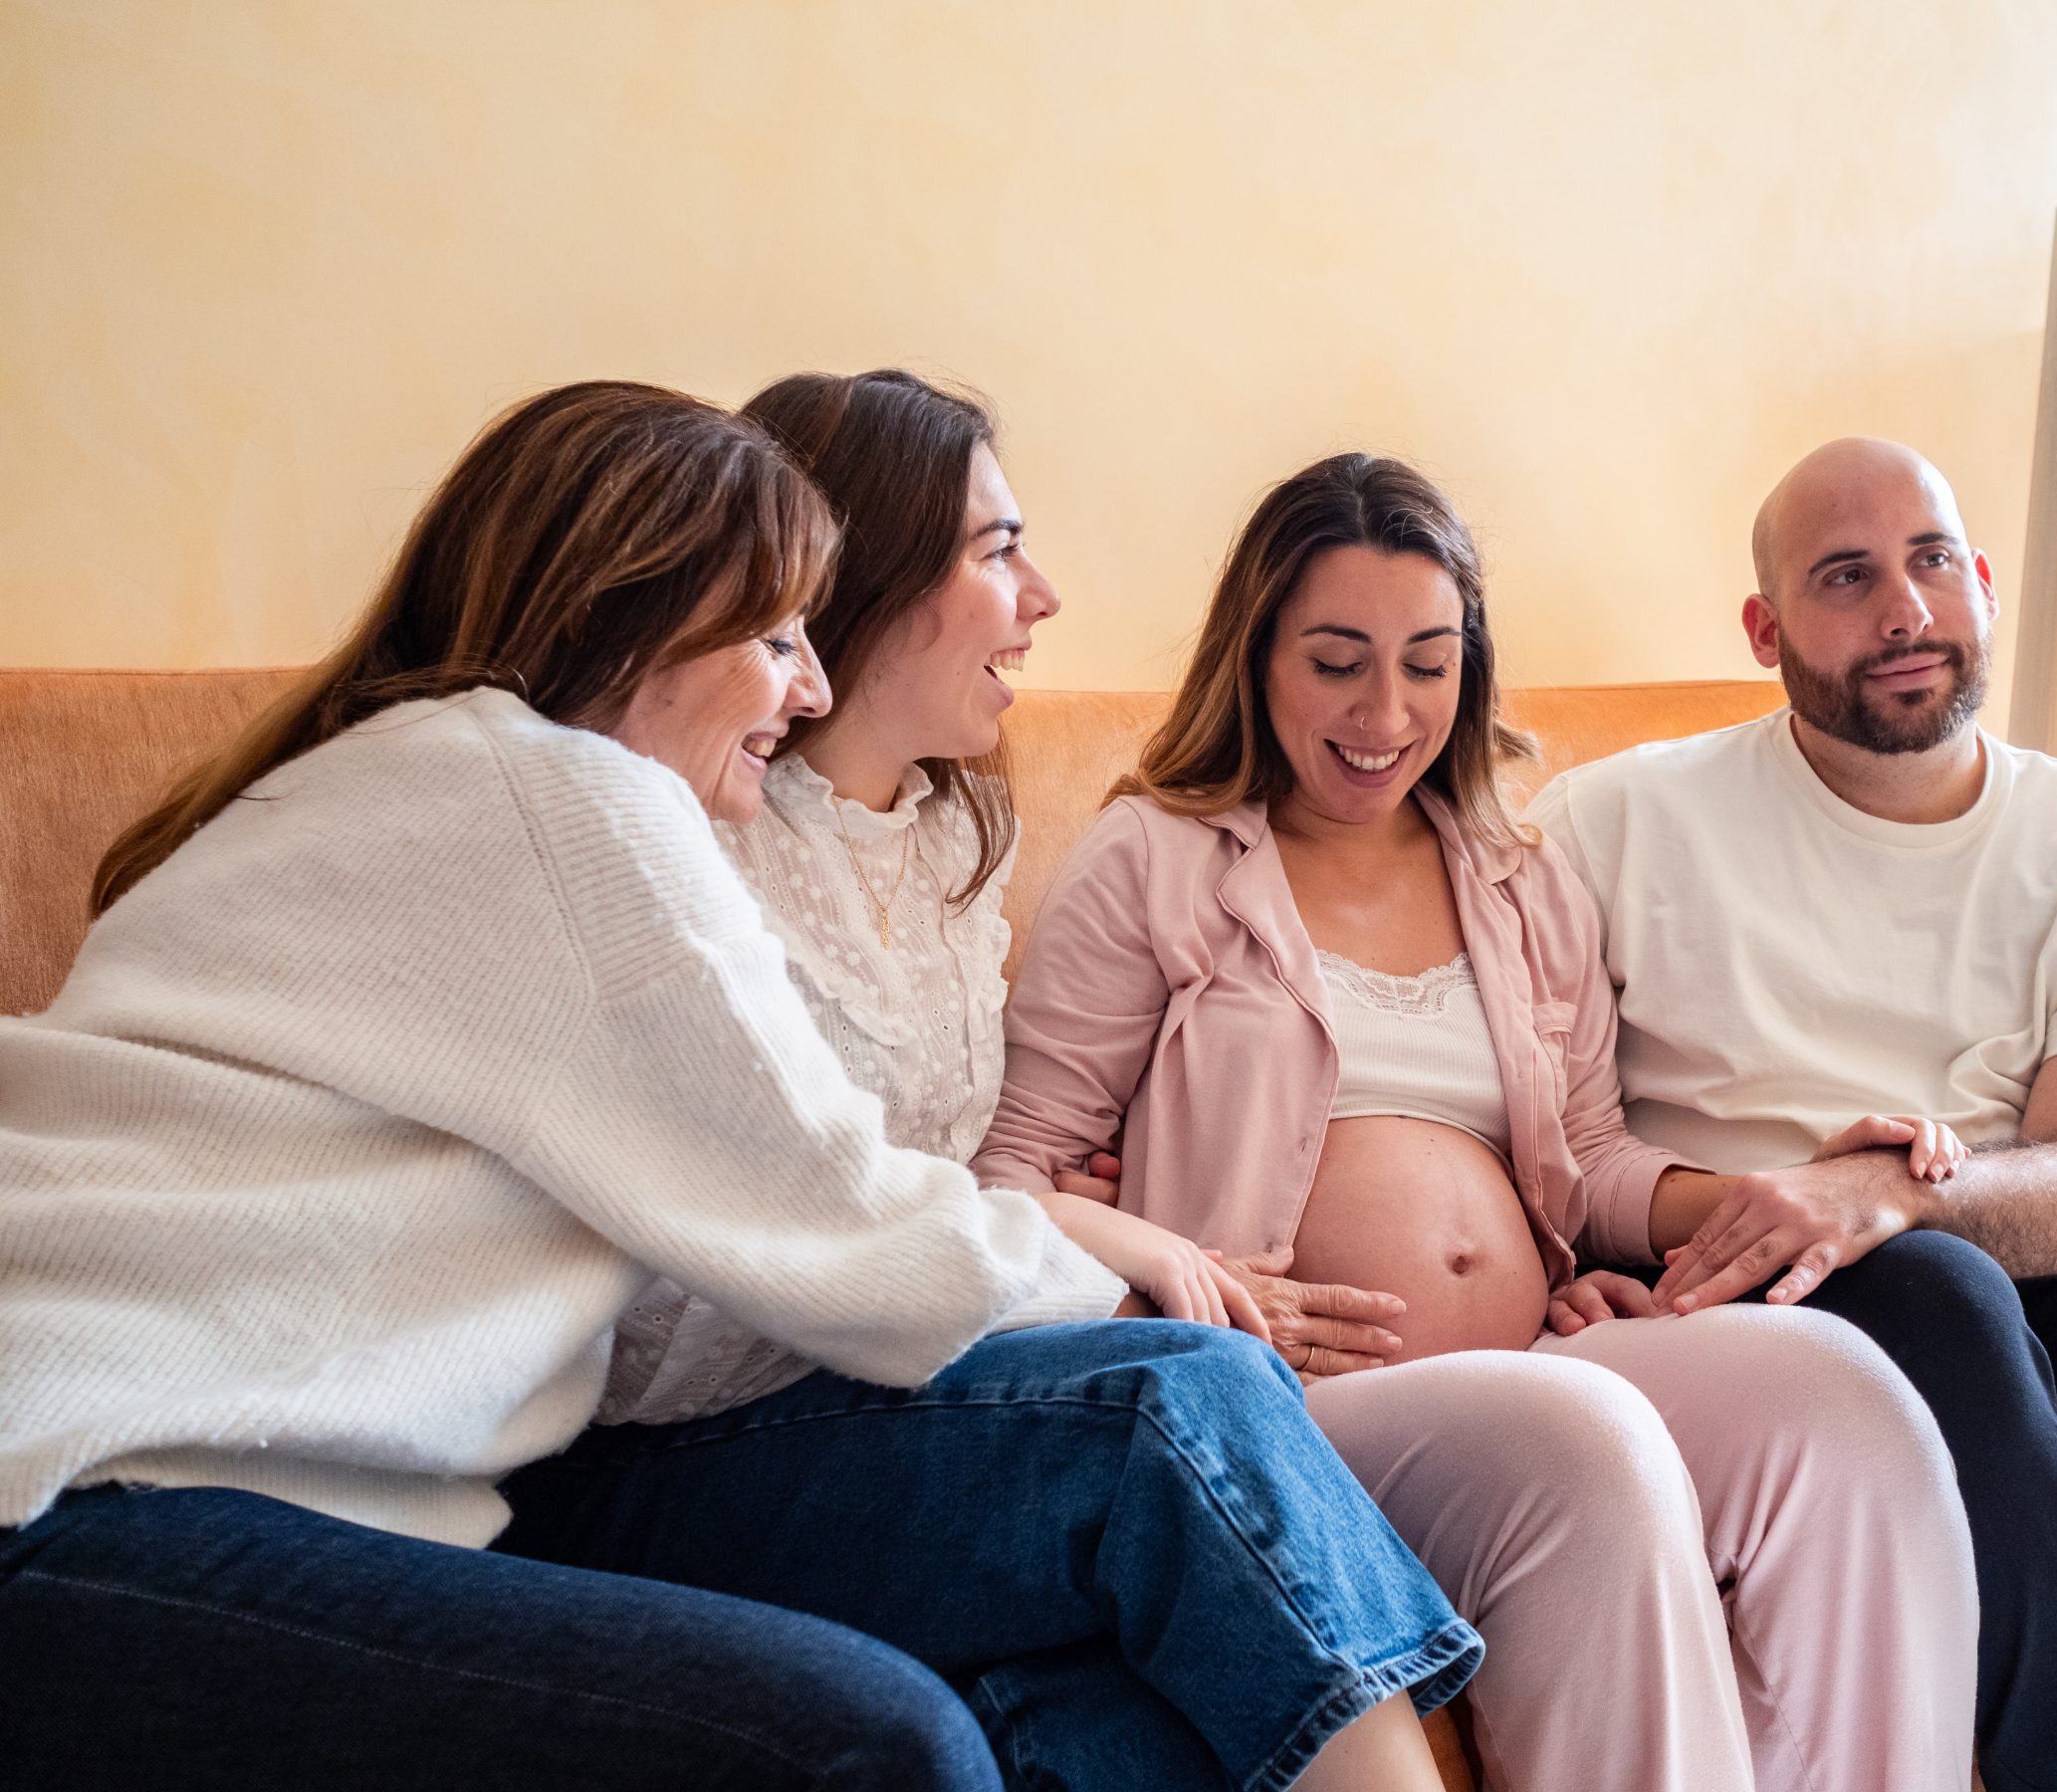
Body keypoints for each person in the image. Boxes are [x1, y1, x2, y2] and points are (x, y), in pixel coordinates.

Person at [0, 381, 1479, 1792]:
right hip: (88, 1503)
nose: (811, 681)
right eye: (776, 637)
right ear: (637, 625)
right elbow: (844, 1230)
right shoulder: (563, 801)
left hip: (239, 1506)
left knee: (1110, 1725)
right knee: (901, 1718)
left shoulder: (406, 785)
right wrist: (1132, 1267)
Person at [978, 449, 1981, 1792]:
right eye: (1337, 660)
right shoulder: (1156, 860)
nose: (1385, 711)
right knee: (1583, 1444)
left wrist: (1798, 1187)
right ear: (1257, 655)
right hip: (1284, 1403)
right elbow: (1010, 1178)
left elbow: (1594, 1167)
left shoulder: (1519, 880)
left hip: (1530, 1353)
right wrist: (1184, 1282)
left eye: (1428, 662)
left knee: (1850, 1406)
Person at [1525, 434, 2057, 1792]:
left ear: (1983, 582)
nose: (1904, 610)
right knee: (1936, 1291)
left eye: (1931, 561)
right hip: (1745, 1293)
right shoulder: (1609, 823)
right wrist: (1581, 1276)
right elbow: (1530, 1130)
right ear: (1765, 630)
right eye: (1845, 577)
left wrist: (1900, 1192)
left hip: (1990, 1242)